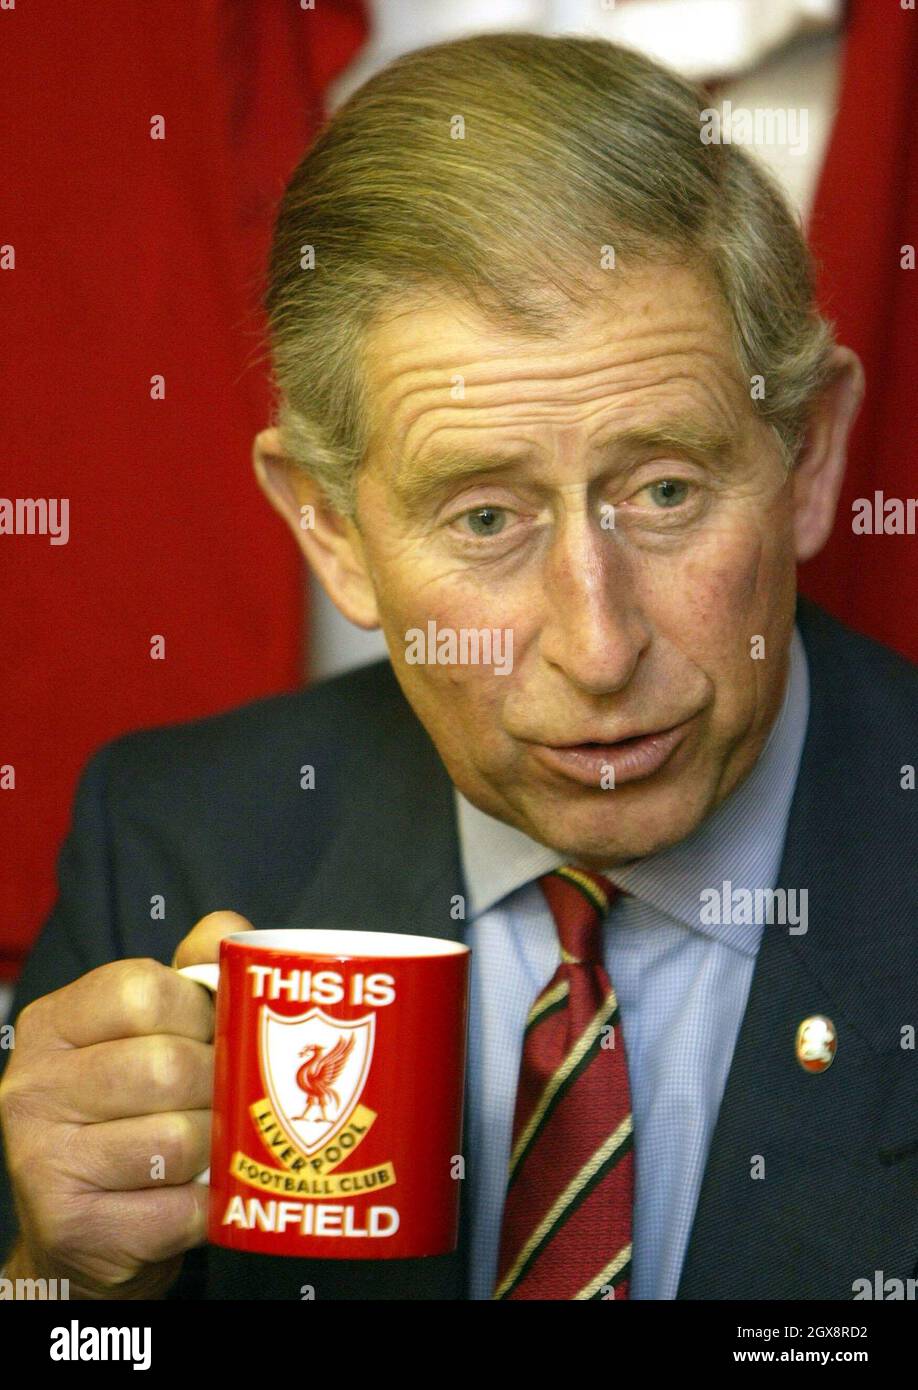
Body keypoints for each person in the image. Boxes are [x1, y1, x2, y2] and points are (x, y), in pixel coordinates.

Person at [1, 32, 915, 1302]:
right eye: (485, 519)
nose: (598, 650)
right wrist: (60, 1289)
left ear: (809, 458)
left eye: (664, 490)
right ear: (332, 531)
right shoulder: (167, 843)